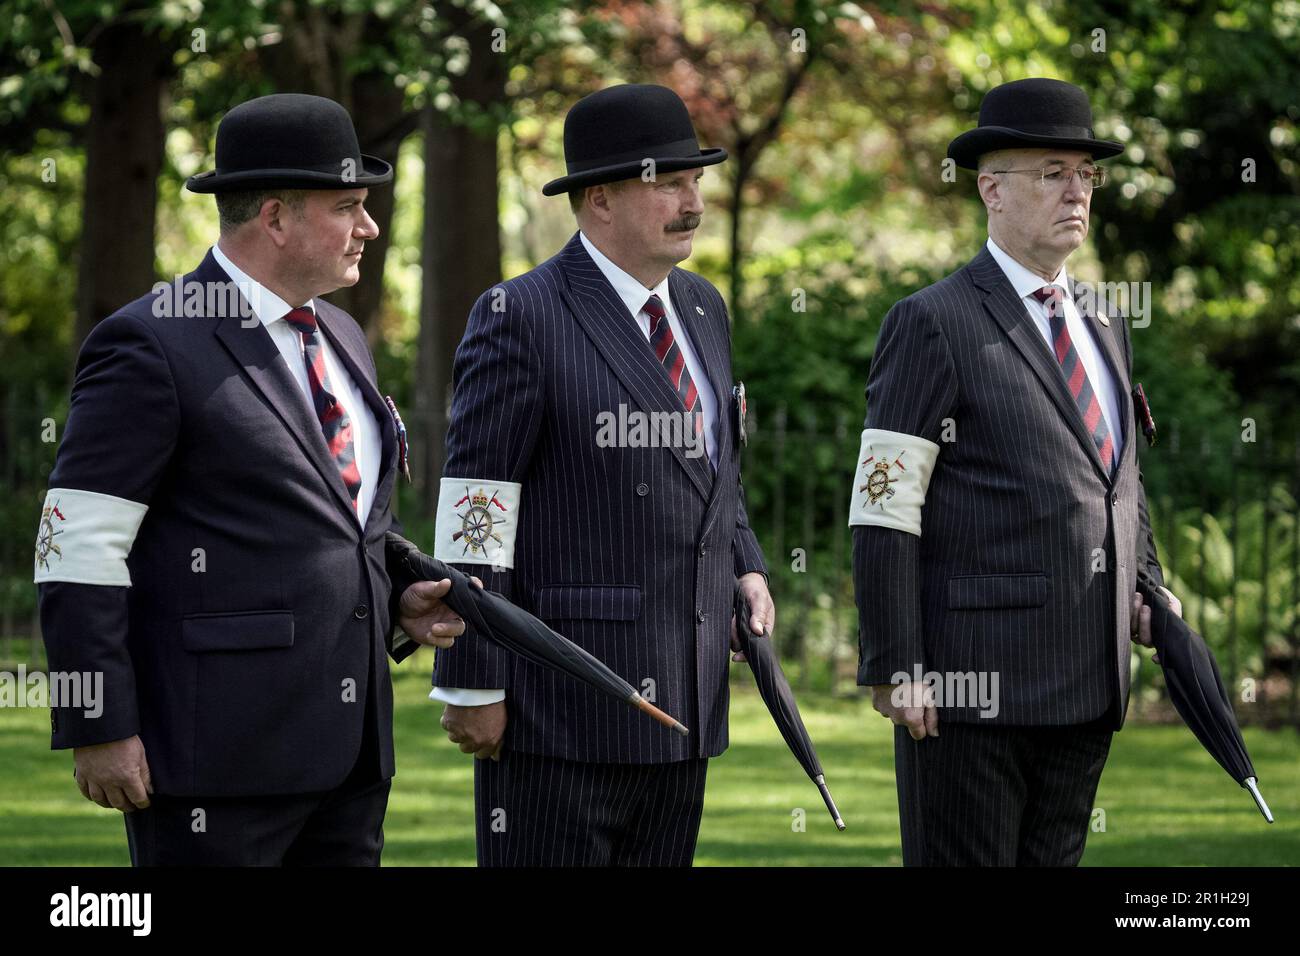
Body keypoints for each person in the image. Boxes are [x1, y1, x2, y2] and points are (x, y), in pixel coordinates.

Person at [35, 93, 464, 866]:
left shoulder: (343, 334)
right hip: (213, 763)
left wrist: (399, 603)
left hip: (353, 757)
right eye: (349, 206)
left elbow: (343, 524)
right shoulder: (149, 342)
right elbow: (77, 547)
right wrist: (97, 721)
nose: (369, 227)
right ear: (275, 217)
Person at [429, 83, 773, 866]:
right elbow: (476, 507)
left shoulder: (703, 308)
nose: (692, 201)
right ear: (600, 198)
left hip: (686, 702)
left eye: (696, 181)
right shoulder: (521, 313)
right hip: (563, 706)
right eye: (669, 182)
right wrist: (472, 681)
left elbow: (715, 473)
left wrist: (747, 564)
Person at [848, 77, 1183, 866]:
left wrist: (1146, 583)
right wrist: (897, 665)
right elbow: (884, 505)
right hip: (970, 699)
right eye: (1053, 173)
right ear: (991, 189)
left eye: (1086, 174)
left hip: (1088, 686)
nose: (1077, 192)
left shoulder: (1105, 322)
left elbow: (1116, 479)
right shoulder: (932, 321)